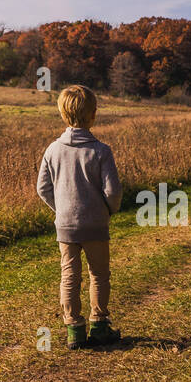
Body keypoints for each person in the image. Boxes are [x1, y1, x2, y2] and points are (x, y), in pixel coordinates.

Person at [37, 85, 123, 350]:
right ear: (93, 114)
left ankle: (74, 329)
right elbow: (113, 191)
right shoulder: (101, 151)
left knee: (69, 276)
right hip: (95, 224)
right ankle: (99, 325)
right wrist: (109, 210)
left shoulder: (53, 150)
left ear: (63, 114)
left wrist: (61, 209)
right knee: (99, 274)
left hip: (66, 225)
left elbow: (43, 188)